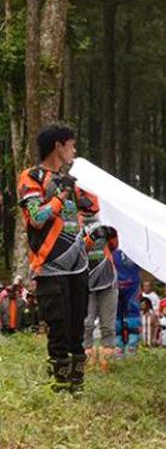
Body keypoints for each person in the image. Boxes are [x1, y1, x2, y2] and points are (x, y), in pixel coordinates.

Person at [18, 124, 91, 392]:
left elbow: (92, 207)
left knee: (77, 329)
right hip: (49, 265)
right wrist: (60, 197)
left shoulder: (71, 181)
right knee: (59, 329)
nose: (74, 150)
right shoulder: (31, 176)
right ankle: (59, 388)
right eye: (71, 145)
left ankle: (77, 386)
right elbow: (36, 218)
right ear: (58, 146)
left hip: (77, 265)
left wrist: (79, 190)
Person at [79, 190, 120, 370]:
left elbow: (113, 247)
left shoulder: (105, 217)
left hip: (107, 277)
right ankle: (85, 358)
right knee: (87, 322)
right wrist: (91, 238)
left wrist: (112, 235)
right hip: (85, 279)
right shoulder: (73, 220)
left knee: (108, 323)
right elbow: (76, 250)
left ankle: (106, 360)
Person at [113, 249, 143, 355]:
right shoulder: (111, 239)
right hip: (116, 284)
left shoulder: (136, 244)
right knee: (116, 316)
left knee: (131, 316)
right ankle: (120, 346)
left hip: (130, 284)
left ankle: (130, 346)